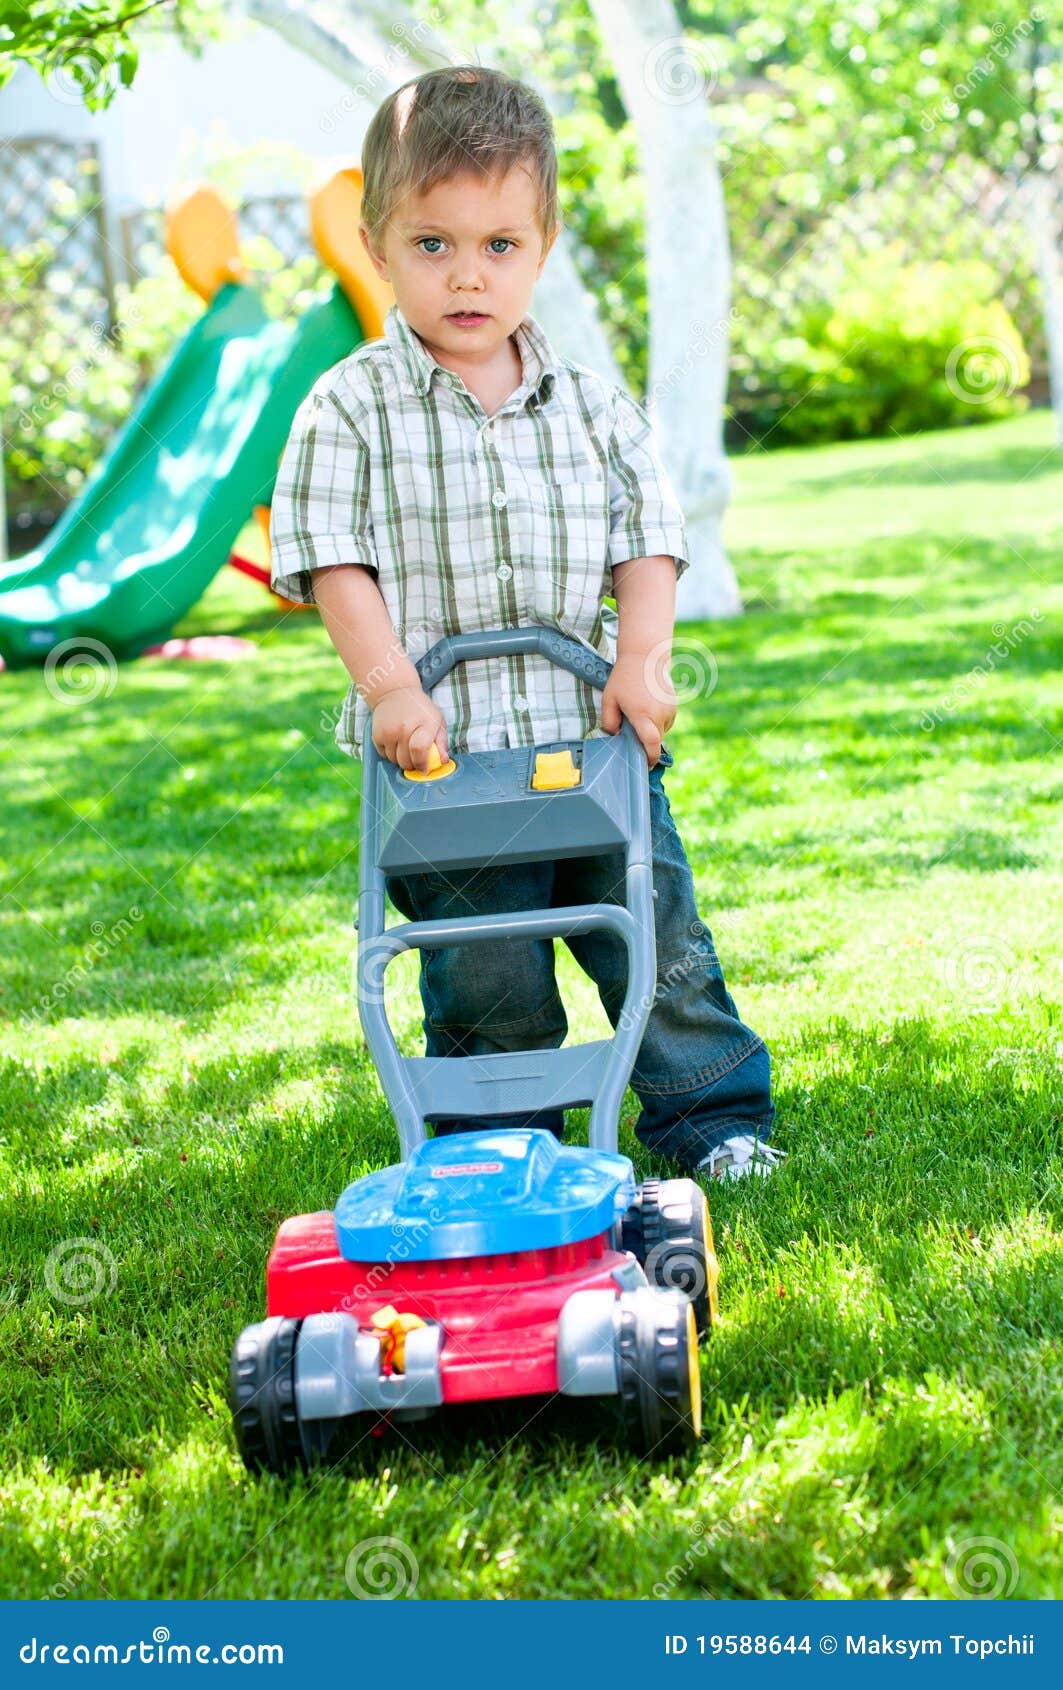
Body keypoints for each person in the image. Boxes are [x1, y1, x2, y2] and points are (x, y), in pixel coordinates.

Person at [269, 65, 783, 1181]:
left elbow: (646, 537)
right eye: (433, 245)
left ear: (542, 243)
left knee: (657, 941)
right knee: (482, 969)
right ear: (376, 244)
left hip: (592, 748)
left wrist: (641, 661)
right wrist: (391, 687)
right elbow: (333, 561)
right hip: (445, 769)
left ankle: (714, 1120)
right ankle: (499, 1142)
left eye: (499, 246)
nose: (468, 275)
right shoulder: (346, 408)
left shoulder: (593, 406)